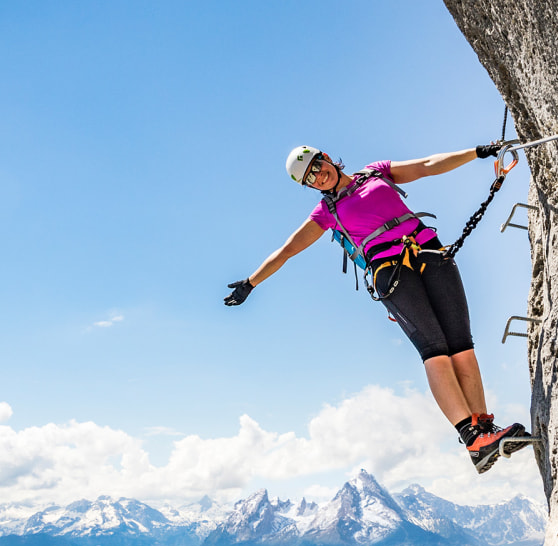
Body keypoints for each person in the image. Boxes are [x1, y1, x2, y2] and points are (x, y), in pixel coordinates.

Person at [224, 144, 531, 474]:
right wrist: (250, 283)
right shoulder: (325, 214)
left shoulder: (376, 172)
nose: (318, 175)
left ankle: (486, 431)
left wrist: (479, 152)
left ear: (326, 157)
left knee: (461, 346)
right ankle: (470, 436)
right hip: (391, 271)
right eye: (310, 178)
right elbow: (286, 251)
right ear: (309, 186)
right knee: (435, 351)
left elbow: (427, 163)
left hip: (429, 251)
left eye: (317, 165)